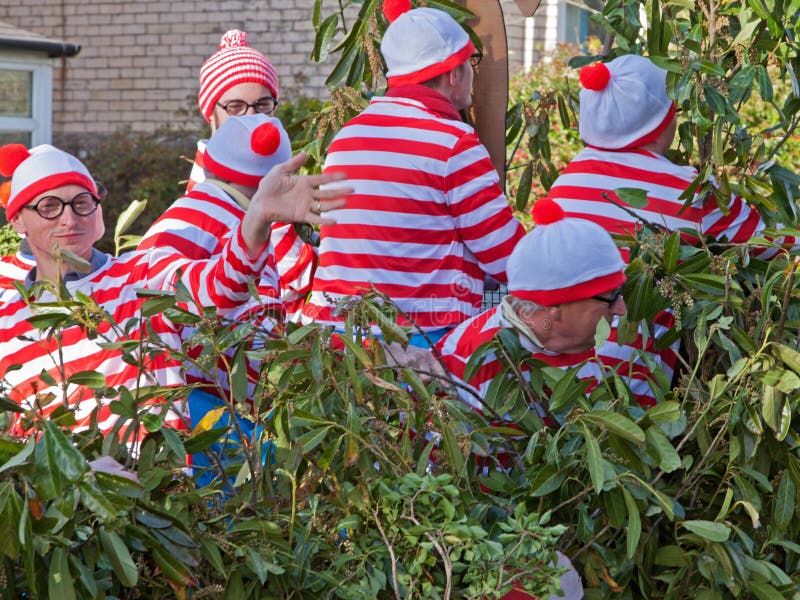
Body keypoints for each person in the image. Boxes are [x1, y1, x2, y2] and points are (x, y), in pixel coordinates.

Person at [0, 142, 348, 442]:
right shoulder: (8, 318)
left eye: (82, 202)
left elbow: (220, 286)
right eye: (49, 206)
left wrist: (256, 218)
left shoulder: (143, 274)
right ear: (17, 220)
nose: (69, 219)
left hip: (153, 496)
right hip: (56, 510)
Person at [547, 54, 797, 406]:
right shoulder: (688, 189)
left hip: (552, 381)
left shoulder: (565, 183)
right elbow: (769, 245)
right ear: (662, 123)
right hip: (633, 390)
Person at [302, 1, 526, 346]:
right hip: (422, 338)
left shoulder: (346, 138)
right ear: (453, 74)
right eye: (471, 63)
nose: (473, 73)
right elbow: (505, 256)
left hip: (339, 338)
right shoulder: (454, 144)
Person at [138, 29, 316, 321]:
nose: (250, 116)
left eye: (262, 104)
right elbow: (293, 273)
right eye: (235, 106)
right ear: (211, 114)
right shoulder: (205, 199)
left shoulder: (275, 173)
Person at [436, 197, 627, 410]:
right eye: (610, 298)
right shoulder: (465, 363)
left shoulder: (611, 343)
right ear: (555, 307)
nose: (621, 309)